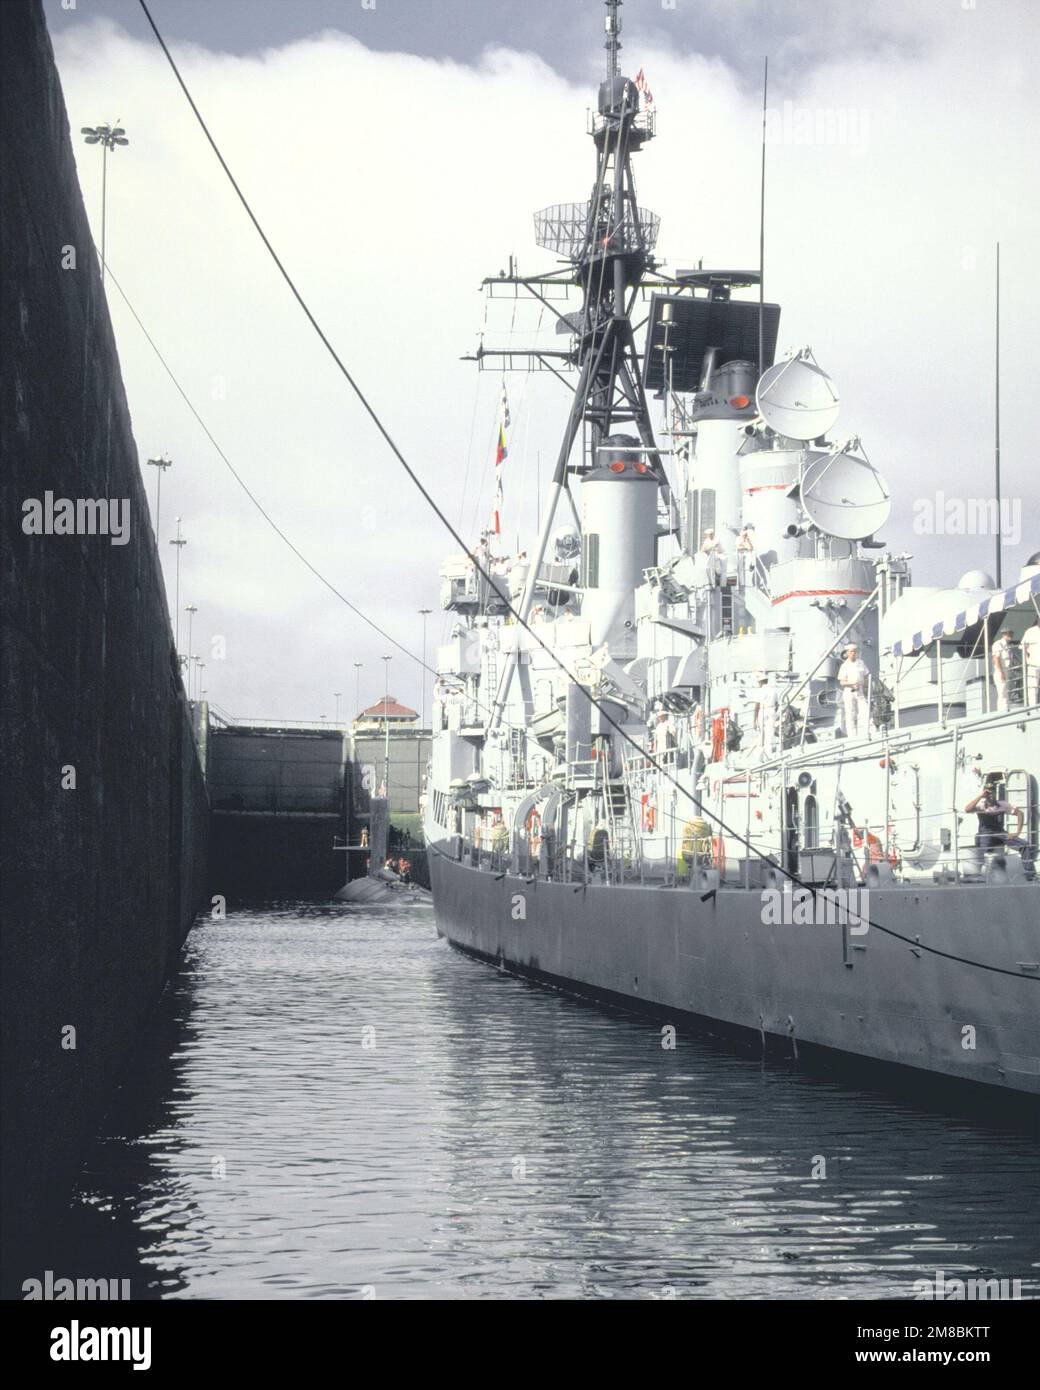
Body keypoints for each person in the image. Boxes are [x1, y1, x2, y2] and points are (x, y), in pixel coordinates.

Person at [964, 779, 1033, 874]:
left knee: (1024, 845)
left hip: (1000, 833)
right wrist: (980, 796)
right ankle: (978, 876)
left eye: (992, 791)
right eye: (988, 792)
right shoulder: (980, 806)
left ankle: (1029, 874)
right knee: (980, 848)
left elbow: (1020, 813)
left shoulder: (1003, 804)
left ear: (995, 792)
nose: (990, 794)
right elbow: (967, 809)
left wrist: (1017, 832)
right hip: (985, 834)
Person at [837, 643, 870, 737]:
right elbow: (842, 682)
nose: (853, 653)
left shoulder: (861, 663)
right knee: (850, 714)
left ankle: (869, 731)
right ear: (847, 653)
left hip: (860, 691)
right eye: (851, 651)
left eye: (854, 651)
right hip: (849, 692)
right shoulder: (844, 666)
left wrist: (866, 687)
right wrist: (852, 685)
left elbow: (866, 675)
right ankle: (852, 735)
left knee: (864, 710)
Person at [751, 672, 778, 755]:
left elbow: (757, 706)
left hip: (763, 711)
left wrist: (754, 721)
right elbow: (777, 704)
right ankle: (768, 752)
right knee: (770, 733)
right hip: (772, 710)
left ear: (761, 682)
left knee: (762, 732)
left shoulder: (760, 691)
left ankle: (760, 752)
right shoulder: (773, 690)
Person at [991, 629, 1014, 711]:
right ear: (1004, 634)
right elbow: (996, 659)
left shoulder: (1008, 646)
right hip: (1000, 671)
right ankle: (1002, 711)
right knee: (1002, 692)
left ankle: (1006, 709)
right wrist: (1001, 672)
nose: (1011, 635)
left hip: (1007, 671)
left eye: (1011, 633)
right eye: (1009, 633)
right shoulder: (998, 644)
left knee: (1006, 692)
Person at [1022, 620, 1040, 705]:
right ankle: (1033, 706)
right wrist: (1026, 660)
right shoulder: (1030, 631)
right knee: (1033, 687)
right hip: (1033, 664)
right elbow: (1023, 646)